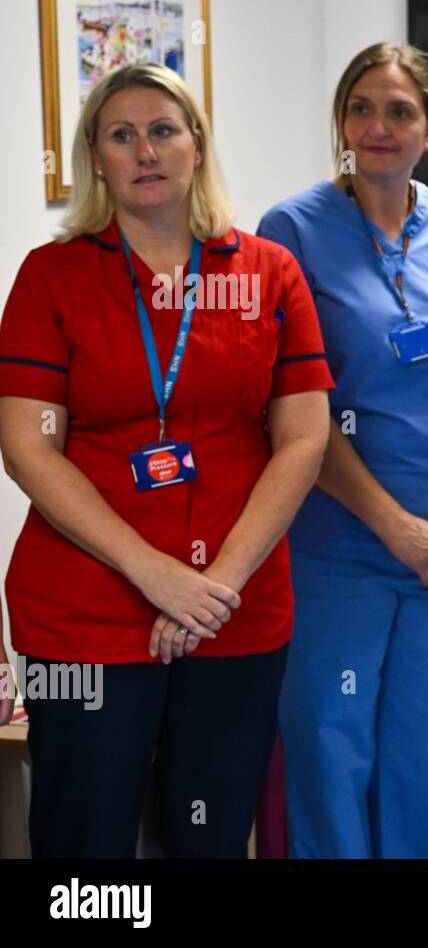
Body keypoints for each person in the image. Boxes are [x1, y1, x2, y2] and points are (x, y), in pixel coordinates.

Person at [0, 63, 332, 858]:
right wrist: (157, 574)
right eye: (122, 135)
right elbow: (27, 445)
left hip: (236, 605)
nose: (145, 150)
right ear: (97, 155)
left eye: (163, 130)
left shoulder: (267, 272)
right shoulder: (53, 275)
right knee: (87, 840)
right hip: (87, 609)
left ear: (195, 145)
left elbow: (305, 438)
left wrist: (214, 587)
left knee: (210, 835)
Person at [257, 43, 428, 859]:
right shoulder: (292, 230)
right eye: (362, 108)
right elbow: (294, 410)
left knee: (419, 763)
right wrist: (392, 526)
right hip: (339, 545)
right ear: (341, 122)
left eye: (400, 111)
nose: (379, 126)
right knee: (332, 757)